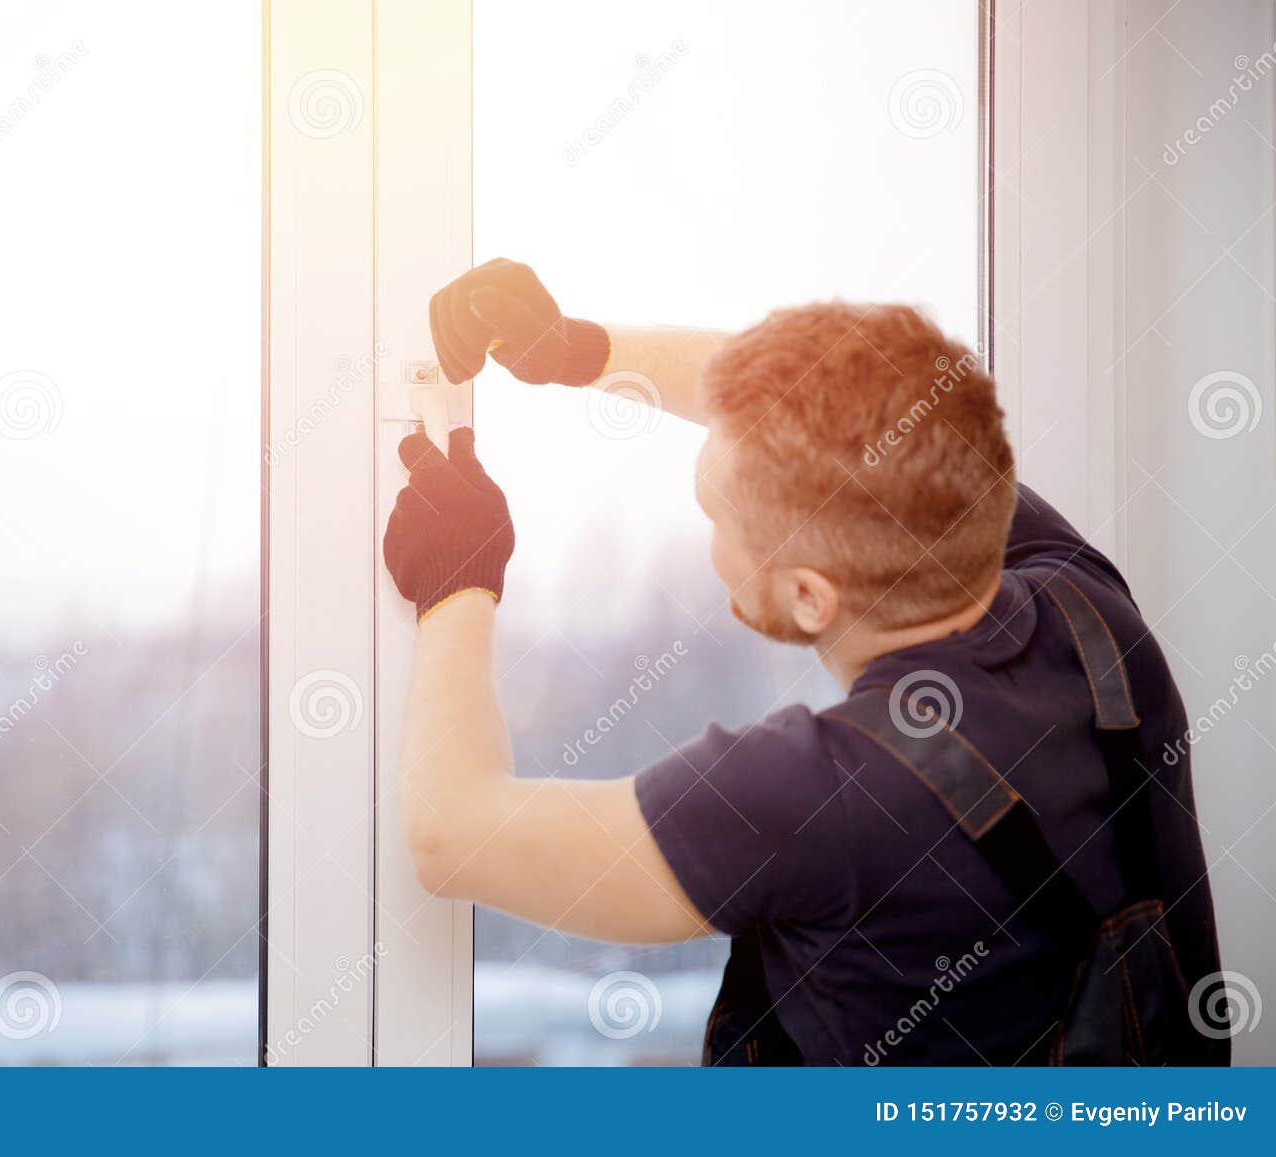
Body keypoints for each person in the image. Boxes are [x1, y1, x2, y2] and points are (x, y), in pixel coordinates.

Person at [382, 259, 1227, 1066]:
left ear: (810, 597)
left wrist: (459, 581)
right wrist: (581, 351)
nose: (710, 539)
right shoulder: (1092, 612)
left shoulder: (818, 792)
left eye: (719, 516)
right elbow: (849, 405)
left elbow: (449, 834)